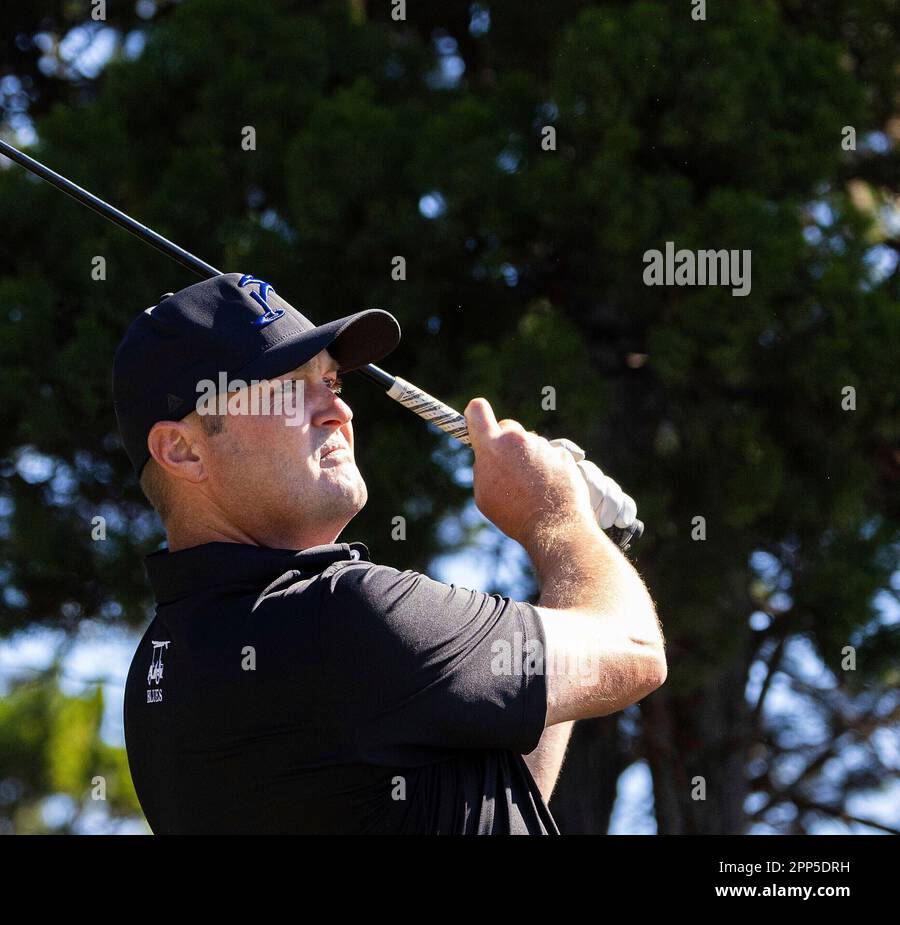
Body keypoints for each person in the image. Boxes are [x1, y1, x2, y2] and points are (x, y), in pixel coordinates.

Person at [113, 272, 667, 834]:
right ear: (181, 450)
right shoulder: (343, 614)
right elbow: (635, 648)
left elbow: (490, 802)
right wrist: (558, 517)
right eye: (286, 389)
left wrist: (580, 545)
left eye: (332, 383)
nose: (338, 413)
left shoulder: (156, 674)